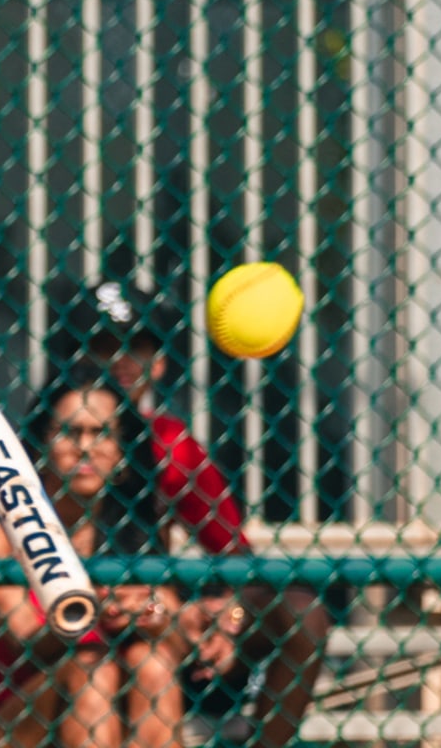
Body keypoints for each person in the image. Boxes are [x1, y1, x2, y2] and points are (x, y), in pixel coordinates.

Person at [55, 279, 330, 748]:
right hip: (64, 620)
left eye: (136, 346)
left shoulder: (169, 443)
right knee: (131, 661)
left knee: (304, 613)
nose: (120, 358)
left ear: (159, 364)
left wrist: (231, 612)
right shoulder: (41, 438)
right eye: (102, 345)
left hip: (154, 614)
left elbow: (234, 556)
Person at [0, 367, 183, 748]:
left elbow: (177, 630)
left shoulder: (139, 527)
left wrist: (152, 615)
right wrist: (91, 612)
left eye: (101, 433)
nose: (86, 447)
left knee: (153, 661)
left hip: (111, 715)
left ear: (121, 453)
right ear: (40, 445)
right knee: (91, 666)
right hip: (3, 714)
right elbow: (24, 641)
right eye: (70, 432)